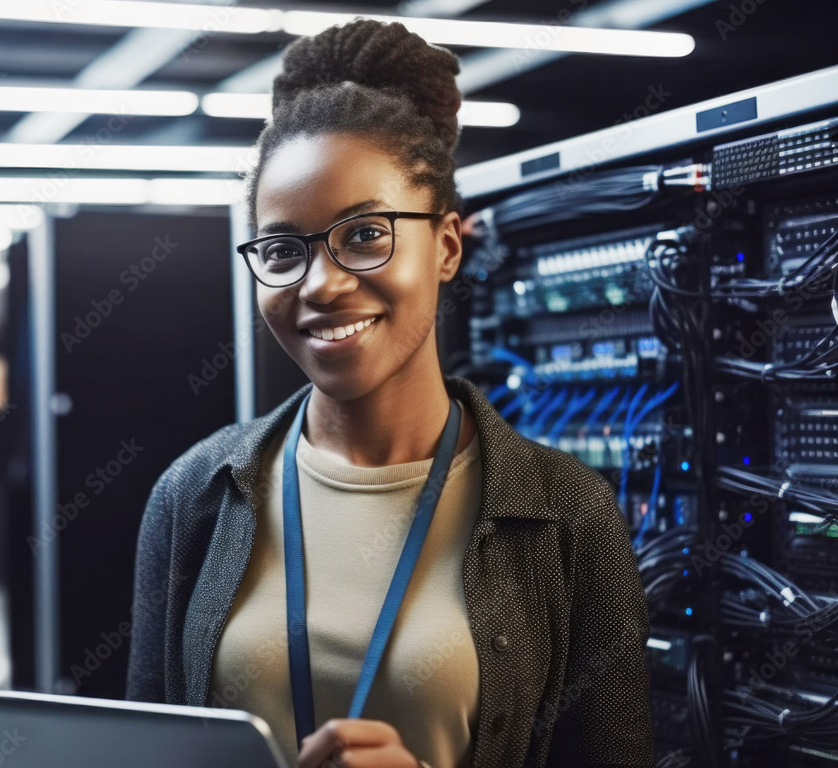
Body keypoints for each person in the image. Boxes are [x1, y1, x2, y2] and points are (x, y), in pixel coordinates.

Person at [126, 17, 654, 768]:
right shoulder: (195, 493)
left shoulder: (569, 515)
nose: (321, 285)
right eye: (283, 250)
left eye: (366, 234)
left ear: (445, 246)